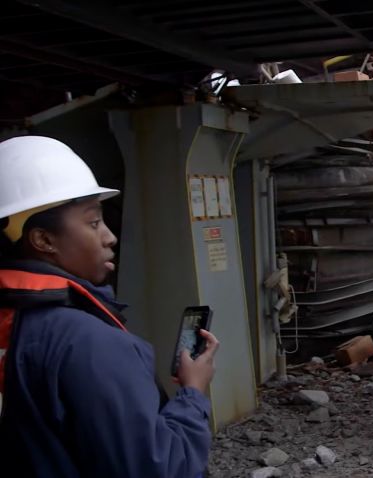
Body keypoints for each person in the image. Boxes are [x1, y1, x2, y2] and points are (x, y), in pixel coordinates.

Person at [0, 136, 220, 477]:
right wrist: (193, 392)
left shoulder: (13, 322)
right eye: (93, 223)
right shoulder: (89, 344)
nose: (109, 236)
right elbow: (160, 469)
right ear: (43, 240)